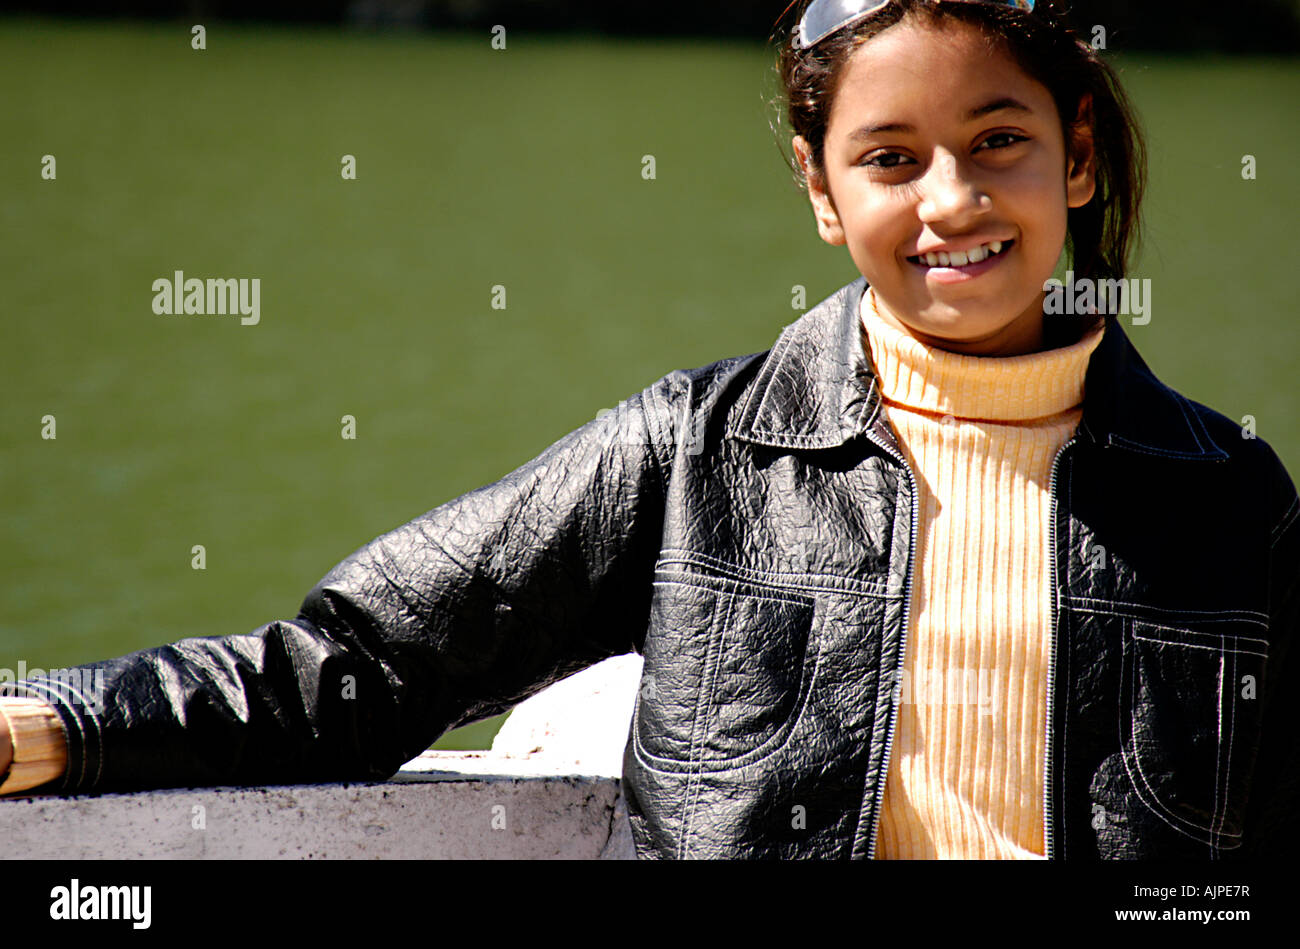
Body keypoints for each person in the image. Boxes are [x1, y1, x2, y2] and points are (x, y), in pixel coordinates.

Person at [2, 0, 1297, 859]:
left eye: (998, 140)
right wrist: (63, 725)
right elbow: (356, 668)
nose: (952, 199)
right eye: (891, 158)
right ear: (821, 191)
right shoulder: (695, 457)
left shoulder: (1229, 498)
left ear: (1074, 157)